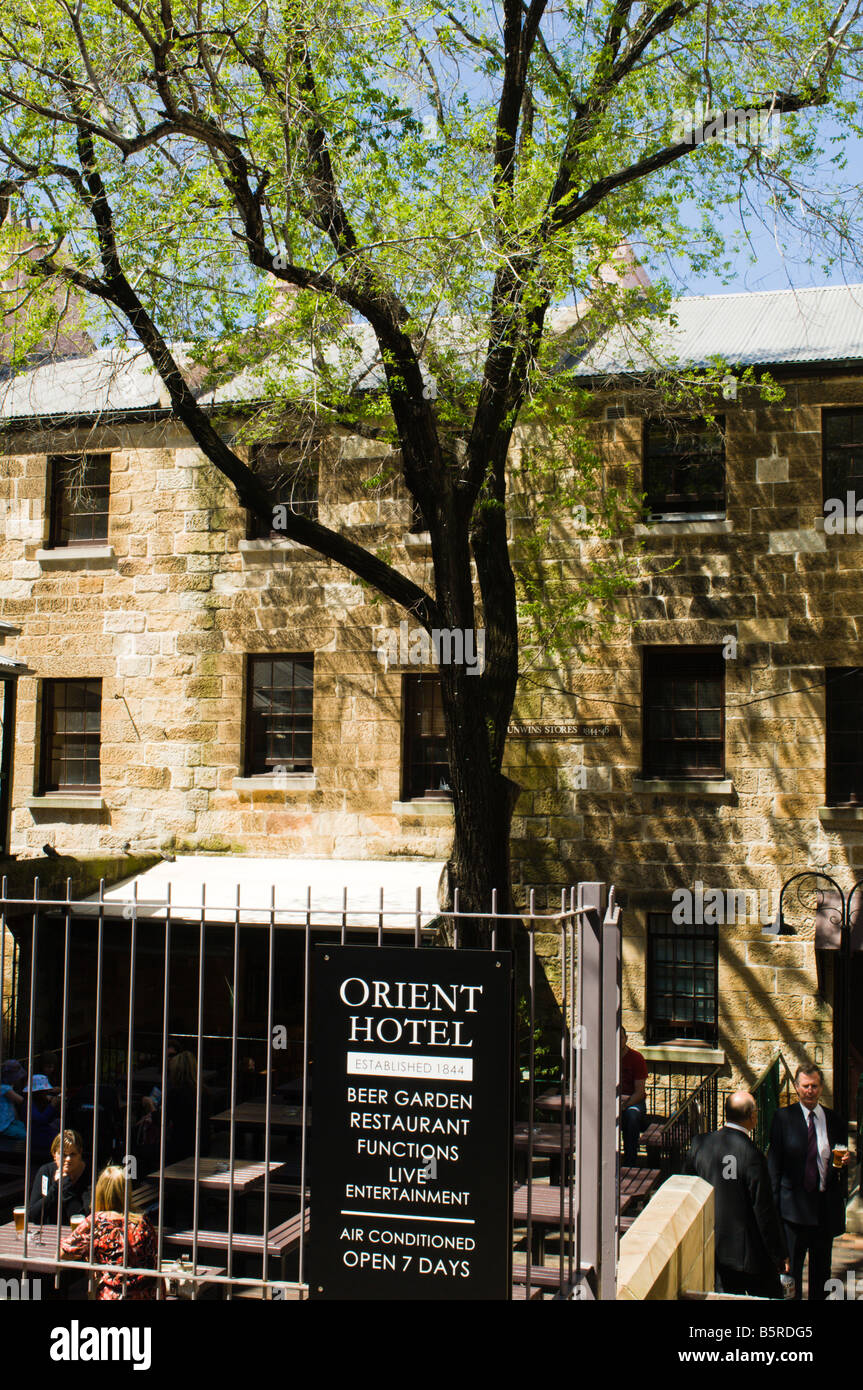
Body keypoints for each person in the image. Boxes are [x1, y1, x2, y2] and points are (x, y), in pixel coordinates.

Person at [685, 1090, 787, 1297]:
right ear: (752, 1117)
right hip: (747, 1253)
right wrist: (778, 1254)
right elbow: (763, 1209)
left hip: (710, 1246)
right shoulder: (752, 1155)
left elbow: (686, 1190)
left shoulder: (700, 1145)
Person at [768, 1061, 850, 1301]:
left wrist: (845, 1161)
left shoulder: (835, 1121)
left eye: (814, 1086)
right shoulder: (783, 1119)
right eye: (805, 1086)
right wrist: (775, 1211)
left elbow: (840, 1166)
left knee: (821, 1277)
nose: (810, 1091)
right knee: (790, 1277)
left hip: (823, 1211)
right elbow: (774, 1168)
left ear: (821, 1087)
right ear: (796, 1087)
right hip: (792, 1212)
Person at [61, 1164, 157, 1300]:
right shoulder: (143, 1221)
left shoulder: (98, 1222)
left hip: (114, 1295)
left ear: (100, 1191)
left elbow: (63, 1253)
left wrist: (90, 1253)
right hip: (147, 1294)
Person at [27, 1128, 90, 1224]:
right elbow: (33, 1216)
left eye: (73, 1154)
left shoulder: (90, 1175)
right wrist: (55, 1188)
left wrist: (65, 1185)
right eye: (64, 1154)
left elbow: (84, 1220)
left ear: (80, 1153)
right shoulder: (46, 1172)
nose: (68, 1159)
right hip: (51, 1233)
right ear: (54, 1154)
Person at [620, 1028, 648, 1165]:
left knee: (632, 1116)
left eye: (620, 1037)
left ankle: (630, 1161)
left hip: (633, 1102)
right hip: (610, 1102)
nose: (618, 1041)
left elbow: (640, 1092)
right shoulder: (605, 1057)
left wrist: (624, 1105)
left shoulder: (636, 1058)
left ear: (626, 1038)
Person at [24, 1073, 61, 1163]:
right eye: (43, 1092)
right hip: (37, 1138)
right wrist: (51, 1106)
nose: (46, 1094)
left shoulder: (39, 1102)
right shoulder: (28, 1104)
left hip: (44, 1134)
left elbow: (49, 1119)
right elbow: (41, 1120)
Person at [0, 1059, 27, 1141]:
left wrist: (17, 1119)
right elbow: (21, 1100)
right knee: (25, 1135)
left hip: (11, 1120)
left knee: (23, 1126)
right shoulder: (5, 1089)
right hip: (4, 1124)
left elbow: (12, 1106)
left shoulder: (8, 1087)